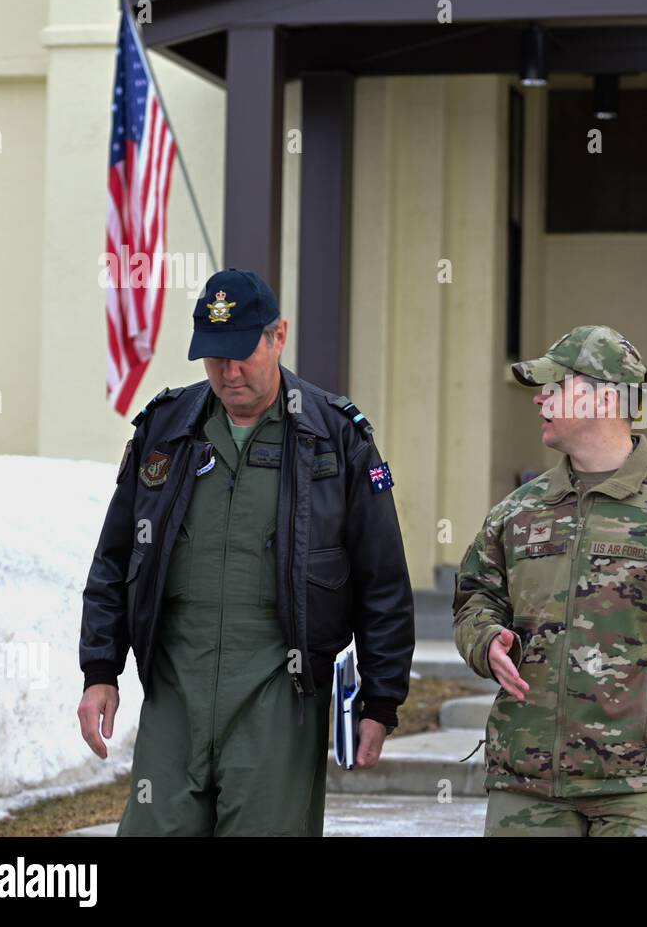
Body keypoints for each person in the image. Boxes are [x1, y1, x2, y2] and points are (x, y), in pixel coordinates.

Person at [77, 268, 416, 835]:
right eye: (214, 359)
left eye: (242, 355)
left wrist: (381, 702)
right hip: (175, 691)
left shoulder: (335, 438)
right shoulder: (165, 429)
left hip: (279, 690)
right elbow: (115, 560)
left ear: (277, 336)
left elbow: (382, 578)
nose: (229, 374)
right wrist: (99, 670)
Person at [453, 325, 647, 836]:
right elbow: (475, 599)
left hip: (642, 788)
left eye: (555, 387)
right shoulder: (519, 510)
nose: (541, 400)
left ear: (604, 397)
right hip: (527, 783)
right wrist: (485, 641)